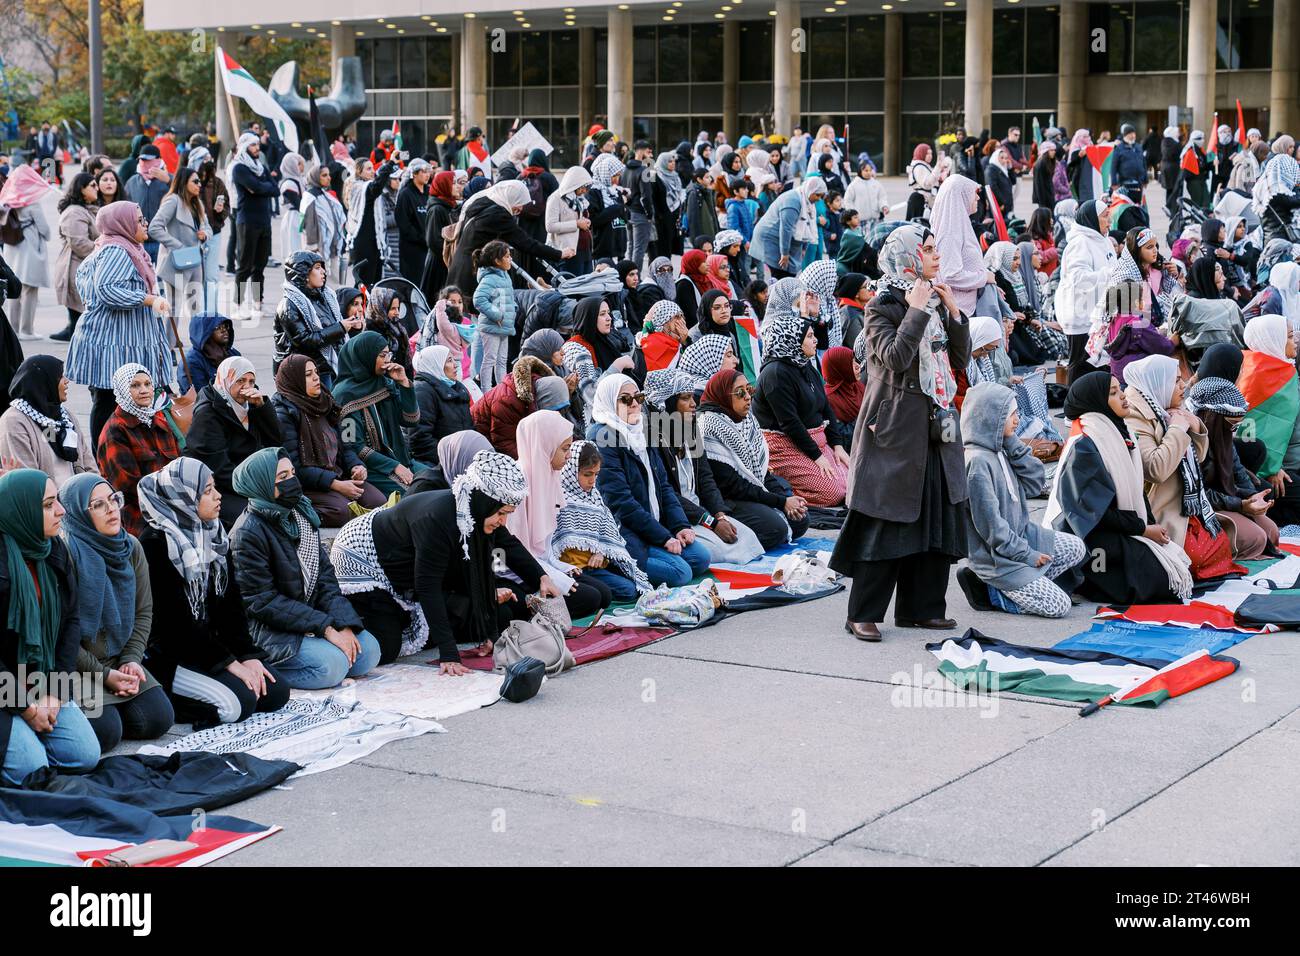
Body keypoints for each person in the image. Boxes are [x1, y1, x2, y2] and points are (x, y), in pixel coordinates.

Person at [830, 222, 970, 641]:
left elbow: (958, 360)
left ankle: (921, 609)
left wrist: (955, 314)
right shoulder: (882, 305)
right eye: (927, 249)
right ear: (908, 256)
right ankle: (863, 612)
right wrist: (916, 309)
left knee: (935, 513)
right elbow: (892, 357)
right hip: (893, 427)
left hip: (939, 423)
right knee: (887, 518)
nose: (936, 256)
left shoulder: (931, 298)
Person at [331, 449, 562, 668]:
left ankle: (400, 617)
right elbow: (427, 586)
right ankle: (335, 626)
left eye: (507, 514)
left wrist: (541, 576)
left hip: (405, 562)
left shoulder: (473, 509)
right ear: (485, 503)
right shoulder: (437, 518)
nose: (503, 521)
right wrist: (449, 655)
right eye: (501, 513)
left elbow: (507, 543)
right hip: (362, 559)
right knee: (386, 647)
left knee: (497, 616)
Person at [228, 449, 380, 688]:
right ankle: (268, 677)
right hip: (271, 629)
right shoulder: (247, 532)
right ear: (262, 484)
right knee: (332, 668)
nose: (292, 481)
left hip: (309, 618)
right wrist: (327, 629)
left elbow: (325, 579)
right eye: (282, 477)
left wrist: (344, 624)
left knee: (369, 653)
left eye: (293, 473)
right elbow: (262, 601)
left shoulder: (301, 514)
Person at [1045, 372, 1193, 604]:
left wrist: (1149, 524)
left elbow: (1136, 487)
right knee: (1159, 580)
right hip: (1091, 537)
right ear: (1097, 402)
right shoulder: (1086, 445)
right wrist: (1142, 529)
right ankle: (1086, 580)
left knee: (1174, 563)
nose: (1123, 396)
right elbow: (1094, 513)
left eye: (1119, 389)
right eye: (1113, 393)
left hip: (1118, 526)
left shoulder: (1119, 430)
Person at [0, 469, 101, 785]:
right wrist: (27, 709)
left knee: (85, 755)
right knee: (29, 770)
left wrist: (55, 694)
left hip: (38, 677)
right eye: (48, 504)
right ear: (22, 511)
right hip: (4, 685)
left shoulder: (53, 549)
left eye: (57, 500)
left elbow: (70, 623)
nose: (61, 510)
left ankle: (27, 738)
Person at [59, 473, 172, 752]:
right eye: (97, 505)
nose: (111, 510)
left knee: (159, 719)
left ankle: (113, 701)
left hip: (119, 656)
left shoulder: (130, 547)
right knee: (106, 732)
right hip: (77, 666)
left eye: (113, 499)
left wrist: (132, 660)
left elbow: (144, 611)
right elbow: (62, 636)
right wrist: (104, 675)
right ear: (77, 515)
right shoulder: (66, 555)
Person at [957, 382, 1086, 617]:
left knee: (1076, 548)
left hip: (1022, 536)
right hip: (996, 557)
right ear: (992, 417)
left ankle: (1025, 583)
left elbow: (1035, 483)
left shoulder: (1001, 448)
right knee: (1059, 606)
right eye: (1011, 415)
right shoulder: (977, 463)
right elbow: (992, 528)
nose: (1017, 420)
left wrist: (1012, 443)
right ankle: (989, 591)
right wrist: (1027, 555)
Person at [1122, 354, 1240, 579]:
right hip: (1160, 511)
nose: (1183, 385)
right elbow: (1156, 469)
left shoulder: (1164, 405)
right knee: (1197, 558)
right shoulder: (1136, 417)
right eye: (1176, 380)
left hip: (1186, 507)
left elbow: (1197, 458)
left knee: (1230, 543)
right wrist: (1178, 429)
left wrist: (1194, 425)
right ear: (1159, 382)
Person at [588, 373, 712, 586]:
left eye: (639, 397)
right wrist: (664, 538)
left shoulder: (642, 429)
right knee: (680, 573)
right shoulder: (603, 437)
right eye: (625, 399)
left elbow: (664, 486)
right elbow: (621, 503)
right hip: (626, 533)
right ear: (609, 401)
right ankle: (618, 564)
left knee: (701, 558)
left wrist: (680, 525)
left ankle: (655, 555)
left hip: (653, 526)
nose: (635, 404)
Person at [509, 410, 614, 616]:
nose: (568, 455)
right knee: (591, 598)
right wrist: (552, 576)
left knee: (604, 594)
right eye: (565, 448)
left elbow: (544, 548)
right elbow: (516, 553)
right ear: (545, 445)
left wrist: (561, 568)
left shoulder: (549, 475)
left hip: (545, 566)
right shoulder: (517, 483)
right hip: (523, 574)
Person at [752, 306, 851, 507]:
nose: (815, 341)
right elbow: (789, 423)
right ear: (792, 340)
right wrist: (817, 456)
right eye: (809, 336)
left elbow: (826, 408)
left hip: (815, 441)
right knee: (833, 494)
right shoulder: (775, 374)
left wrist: (837, 446)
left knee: (853, 485)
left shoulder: (805, 364)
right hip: (785, 446)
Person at [272, 354, 385, 527]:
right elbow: (295, 467)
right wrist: (335, 484)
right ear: (294, 380)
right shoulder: (285, 414)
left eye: (316, 372)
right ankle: (295, 514)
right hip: (308, 484)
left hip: (337, 472)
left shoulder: (325, 402)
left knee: (377, 501)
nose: (317, 378)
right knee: (342, 511)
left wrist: (356, 465)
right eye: (308, 375)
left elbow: (345, 446)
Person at [1188, 375, 1279, 560]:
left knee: (1272, 532)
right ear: (1212, 418)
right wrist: (1240, 505)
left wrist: (1252, 497)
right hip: (1203, 507)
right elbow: (1199, 494)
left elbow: (1238, 473)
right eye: (1231, 425)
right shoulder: (1190, 441)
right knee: (1256, 539)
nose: (1234, 431)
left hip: (1226, 499)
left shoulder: (1224, 437)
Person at [186, 357, 283, 528]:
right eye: (240, 381)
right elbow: (219, 469)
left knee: (293, 505)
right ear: (226, 380)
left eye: (251, 381)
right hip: (217, 487)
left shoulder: (251, 403)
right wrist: (257, 490)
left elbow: (276, 442)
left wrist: (262, 407)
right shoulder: (208, 413)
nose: (247, 387)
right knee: (259, 517)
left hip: (247, 481)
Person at [551, 440, 653, 603]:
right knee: (627, 591)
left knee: (632, 587)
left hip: (598, 565)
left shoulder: (594, 496)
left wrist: (600, 552)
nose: (592, 480)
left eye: (596, 474)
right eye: (587, 474)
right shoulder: (559, 498)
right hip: (573, 569)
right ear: (571, 470)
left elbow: (607, 534)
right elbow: (556, 544)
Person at [331, 331, 427, 498]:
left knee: (437, 480)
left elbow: (411, 420)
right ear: (366, 356)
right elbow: (354, 446)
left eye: (388, 354)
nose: (387, 360)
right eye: (382, 355)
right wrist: (394, 466)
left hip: (401, 460)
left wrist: (404, 384)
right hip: (372, 468)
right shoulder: (344, 395)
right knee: (415, 495)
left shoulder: (384, 383)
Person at [446, 180, 571, 302]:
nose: (521, 208)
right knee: (470, 315)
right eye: (519, 202)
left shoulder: (484, 204)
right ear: (511, 197)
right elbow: (526, 243)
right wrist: (558, 254)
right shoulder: (499, 215)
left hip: (460, 265)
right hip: (471, 272)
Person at [96, 362, 182, 537]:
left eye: (147, 384)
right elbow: (129, 488)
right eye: (135, 385)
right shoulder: (115, 431)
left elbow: (179, 467)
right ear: (122, 390)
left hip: (172, 504)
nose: (144, 390)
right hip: (139, 516)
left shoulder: (158, 420)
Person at [1238, 314, 1300, 526]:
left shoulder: (1284, 369)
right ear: (1273, 340)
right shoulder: (1253, 374)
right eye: (1290, 336)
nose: (1296, 341)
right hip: (1264, 470)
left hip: (1286, 463)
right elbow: (1247, 431)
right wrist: (1272, 467)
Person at [0, 355, 96, 486]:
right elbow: (27, 479)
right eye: (60, 377)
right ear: (45, 382)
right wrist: (54, 503)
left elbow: (88, 462)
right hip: (46, 502)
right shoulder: (14, 422)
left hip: (78, 500)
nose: (67, 381)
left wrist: (96, 490)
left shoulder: (64, 416)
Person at [1055, 199, 1116, 383]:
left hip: (1099, 314)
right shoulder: (1080, 243)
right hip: (1081, 315)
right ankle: (1074, 407)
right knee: (1080, 364)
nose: (1110, 222)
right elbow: (1077, 279)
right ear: (1092, 219)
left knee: (1099, 363)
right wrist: (1108, 274)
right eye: (1105, 217)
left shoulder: (1104, 240)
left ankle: (1094, 405)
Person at [147, 166, 211, 316]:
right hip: (176, 260)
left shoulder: (197, 204)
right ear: (183, 182)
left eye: (200, 182)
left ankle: (199, 340)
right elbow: (154, 227)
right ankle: (170, 340)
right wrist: (177, 246)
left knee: (196, 307)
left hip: (195, 258)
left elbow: (207, 227)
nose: (199, 185)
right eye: (195, 181)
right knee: (173, 307)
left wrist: (205, 234)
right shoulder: (173, 201)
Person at [0, 164, 52, 341]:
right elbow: (45, 231)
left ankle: (14, 329)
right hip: (31, 250)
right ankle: (27, 330)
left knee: (15, 290)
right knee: (30, 290)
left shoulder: (6, 200)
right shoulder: (32, 203)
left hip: (12, 250)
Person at [228, 134, 278, 314]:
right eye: (253, 145)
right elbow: (258, 187)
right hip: (247, 222)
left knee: (260, 266)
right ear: (244, 147)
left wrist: (259, 187)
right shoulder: (239, 168)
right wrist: (261, 187)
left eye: (258, 144)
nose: (257, 148)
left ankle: (258, 303)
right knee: (244, 265)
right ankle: (238, 304)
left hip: (264, 221)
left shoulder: (261, 167)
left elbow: (275, 190)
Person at [409, 344, 474, 475]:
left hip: (460, 458)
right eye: (449, 360)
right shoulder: (422, 391)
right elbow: (420, 440)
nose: (456, 365)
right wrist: (452, 459)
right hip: (436, 462)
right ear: (435, 364)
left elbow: (469, 427)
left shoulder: (456, 386)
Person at [472, 354, 555, 458]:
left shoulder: (540, 388)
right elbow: (503, 442)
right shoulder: (508, 400)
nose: (563, 353)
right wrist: (531, 461)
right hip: (482, 444)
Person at [50, 173, 100, 342]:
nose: (97, 188)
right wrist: (106, 249)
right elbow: (79, 244)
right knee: (79, 327)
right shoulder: (74, 213)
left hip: (84, 271)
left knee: (83, 326)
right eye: (93, 185)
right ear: (81, 188)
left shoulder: (87, 209)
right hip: (74, 272)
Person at [563, 296, 626, 422]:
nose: (609, 318)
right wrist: (617, 366)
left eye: (608, 313)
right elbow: (591, 394)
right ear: (589, 318)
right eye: (602, 314)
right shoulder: (576, 349)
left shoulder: (602, 341)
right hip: (594, 422)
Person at [749, 177, 826, 279]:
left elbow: (805, 227)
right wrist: (784, 253)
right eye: (817, 195)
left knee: (790, 273)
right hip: (771, 238)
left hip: (783, 239)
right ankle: (777, 294)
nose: (819, 199)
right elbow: (786, 229)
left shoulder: (806, 201)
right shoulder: (793, 201)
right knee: (782, 272)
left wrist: (803, 247)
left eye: (821, 196)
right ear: (810, 190)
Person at [471, 240, 518, 390]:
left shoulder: (505, 276)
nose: (510, 259)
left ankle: (502, 390)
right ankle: (486, 392)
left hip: (504, 326)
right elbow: (478, 299)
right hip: (491, 326)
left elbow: (508, 298)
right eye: (507, 256)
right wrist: (497, 315)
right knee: (489, 359)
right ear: (497, 261)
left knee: (502, 360)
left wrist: (513, 309)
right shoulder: (489, 278)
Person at [302, 166, 348, 284]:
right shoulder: (310, 197)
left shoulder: (325, 194)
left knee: (335, 281)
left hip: (331, 245)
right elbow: (309, 224)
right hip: (318, 248)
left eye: (328, 175)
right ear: (315, 177)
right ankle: (252, 299)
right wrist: (313, 247)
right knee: (319, 282)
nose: (329, 178)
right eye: (324, 175)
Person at [546, 164, 594, 276]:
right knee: (571, 287)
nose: (584, 190)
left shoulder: (579, 199)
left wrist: (585, 222)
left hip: (585, 250)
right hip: (568, 251)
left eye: (586, 187)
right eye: (581, 187)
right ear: (573, 184)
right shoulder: (555, 198)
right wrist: (576, 224)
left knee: (586, 287)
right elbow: (550, 226)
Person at [420, 171, 461, 299]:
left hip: (447, 262)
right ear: (444, 185)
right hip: (438, 264)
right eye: (453, 183)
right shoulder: (437, 209)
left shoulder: (450, 206)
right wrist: (450, 255)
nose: (457, 186)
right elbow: (433, 240)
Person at [179, 312, 238, 394]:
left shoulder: (233, 354)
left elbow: (248, 381)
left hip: (233, 401)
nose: (224, 330)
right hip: (206, 404)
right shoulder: (191, 362)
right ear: (204, 332)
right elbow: (201, 396)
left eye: (226, 326)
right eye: (218, 327)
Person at [1251, 153, 1300, 248]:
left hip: (1269, 239)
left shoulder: (1264, 187)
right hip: (1282, 241)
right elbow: (1296, 202)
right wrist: (1297, 188)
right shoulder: (1277, 191)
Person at [395, 159, 431, 286]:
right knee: (412, 285)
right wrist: (421, 238)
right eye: (423, 171)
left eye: (429, 172)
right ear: (414, 174)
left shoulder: (429, 193)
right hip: (412, 249)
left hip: (428, 248)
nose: (427, 175)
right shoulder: (406, 194)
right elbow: (403, 224)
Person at [820, 345, 863, 443]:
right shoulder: (828, 401)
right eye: (850, 363)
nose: (858, 366)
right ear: (839, 369)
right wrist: (864, 420)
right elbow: (842, 439)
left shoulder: (857, 387)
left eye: (855, 360)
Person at [844, 161, 888, 226]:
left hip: (876, 220)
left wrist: (884, 206)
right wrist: (853, 215)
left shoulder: (876, 184)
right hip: (861, 221)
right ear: (860, 171)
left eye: (870, 170)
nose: (869, 172)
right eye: (866, 170)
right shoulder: (854, 185)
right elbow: (848, 201)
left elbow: (882, 197)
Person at [1032, 141, 1058, 210]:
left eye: (1054, 150)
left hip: (1049, 195)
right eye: (1051, 150)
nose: (1054, 152)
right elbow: (1039, 184)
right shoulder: (1040, 164)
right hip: (1044, 198)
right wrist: (1042, 202)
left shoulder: (1048, 163)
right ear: (1045, 151)